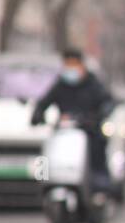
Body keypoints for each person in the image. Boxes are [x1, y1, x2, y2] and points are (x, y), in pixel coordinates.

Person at [31, 48, 116, 186]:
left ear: (81, 65)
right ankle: (45, 182)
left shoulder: (93, 84)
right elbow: (44, 103)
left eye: (74, 64)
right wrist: (37, 115)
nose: (70, 69)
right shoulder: (60, 85)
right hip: (64, 131)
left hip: (89, 130)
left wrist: (98, 116)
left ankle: (100, 187)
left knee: (97, 152)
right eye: (67, 64)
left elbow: (108, 102)